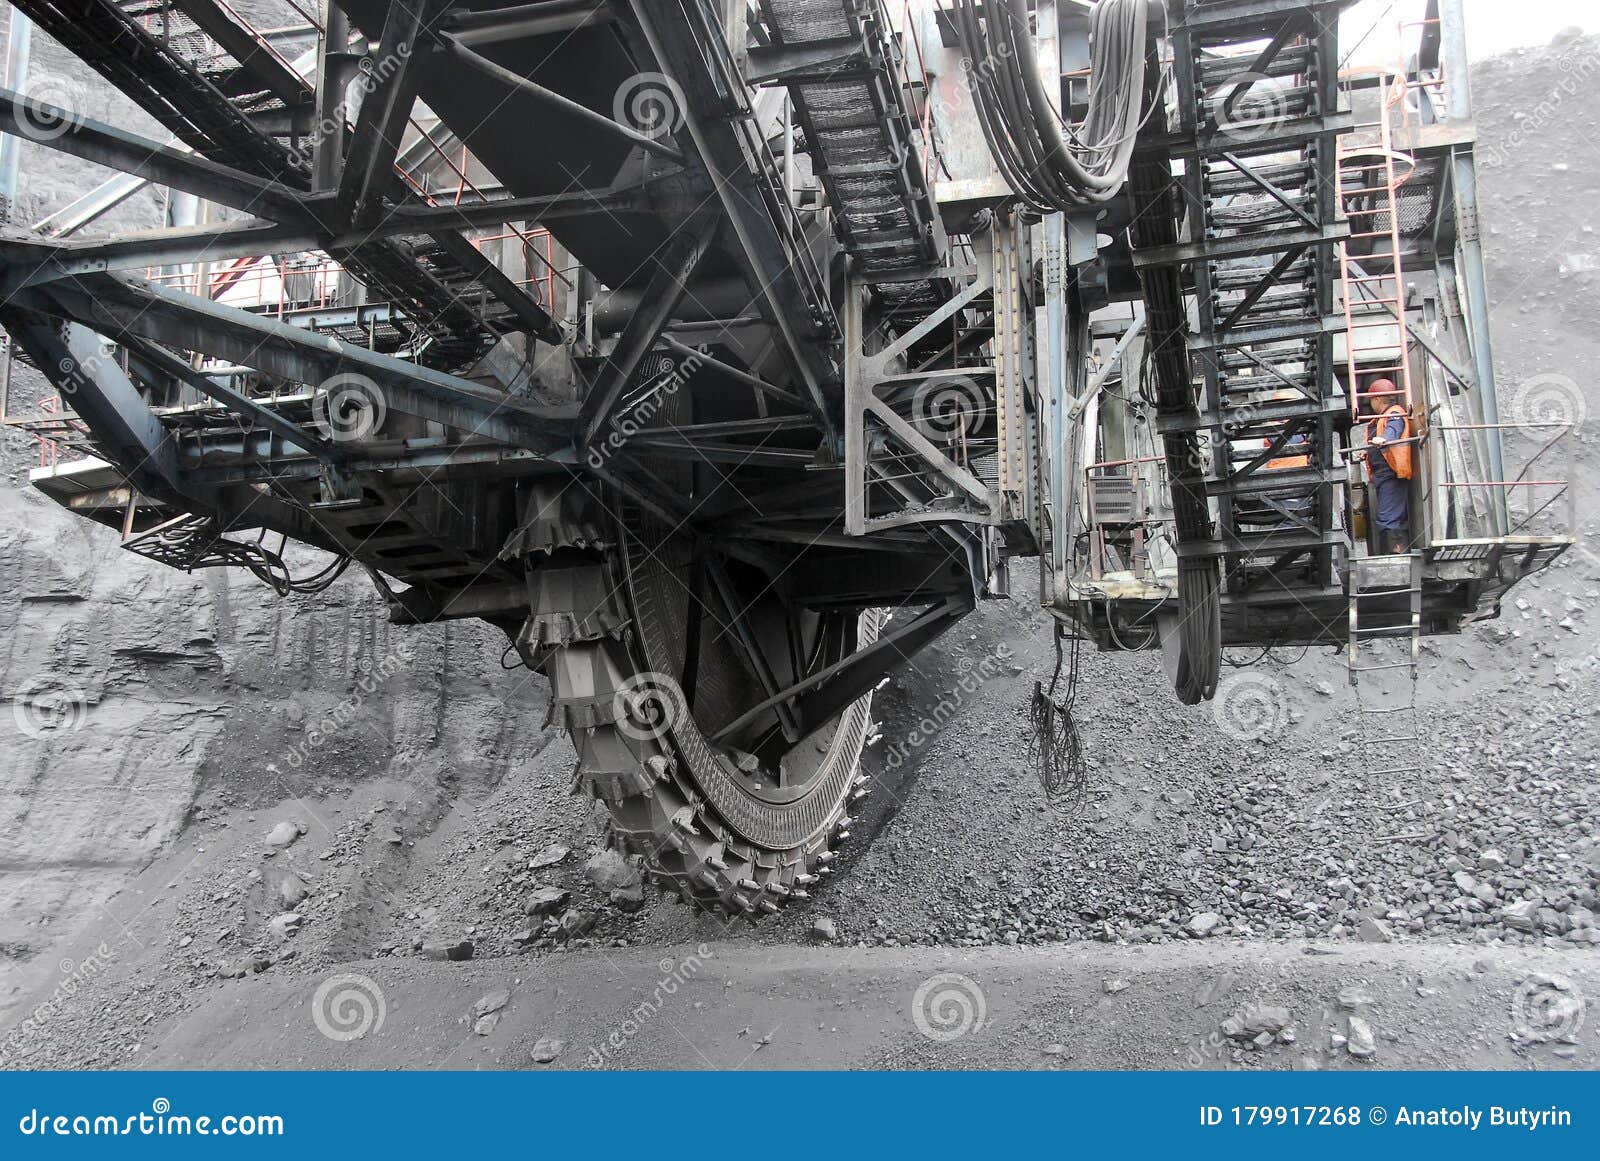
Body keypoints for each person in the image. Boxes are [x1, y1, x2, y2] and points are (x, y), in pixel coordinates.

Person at [1361, 379, 1412, 554]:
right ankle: (1395, 552)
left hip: (1392, 473)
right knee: (1391, 514)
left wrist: (1385, 438)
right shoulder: (1379, 419)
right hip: (1383, 475)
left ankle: (1396, 554)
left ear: (1377, 399)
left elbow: (1394, 428)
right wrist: (1367, 452)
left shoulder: (1395, 413)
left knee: (1387, 517)